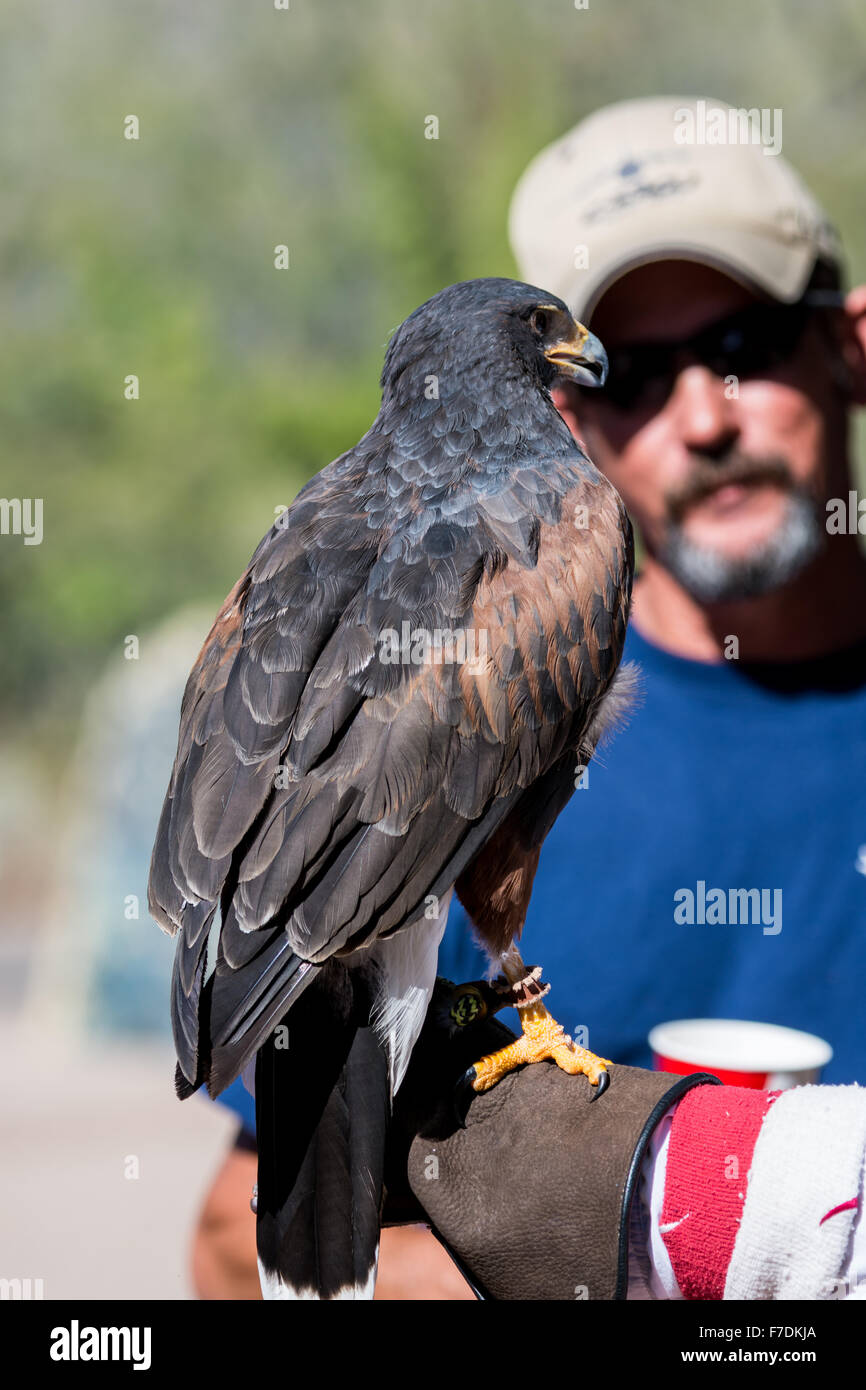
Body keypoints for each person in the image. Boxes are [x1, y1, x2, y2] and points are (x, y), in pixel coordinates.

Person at [195, 94, 866, 1298]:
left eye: (742, 348)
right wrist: (636, 1262)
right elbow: (223, 1252)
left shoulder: (513, 579)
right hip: (331, 961)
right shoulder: (496, 605)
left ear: (850, 344)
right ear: (566, 409)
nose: (699, 417)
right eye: (639, 374)